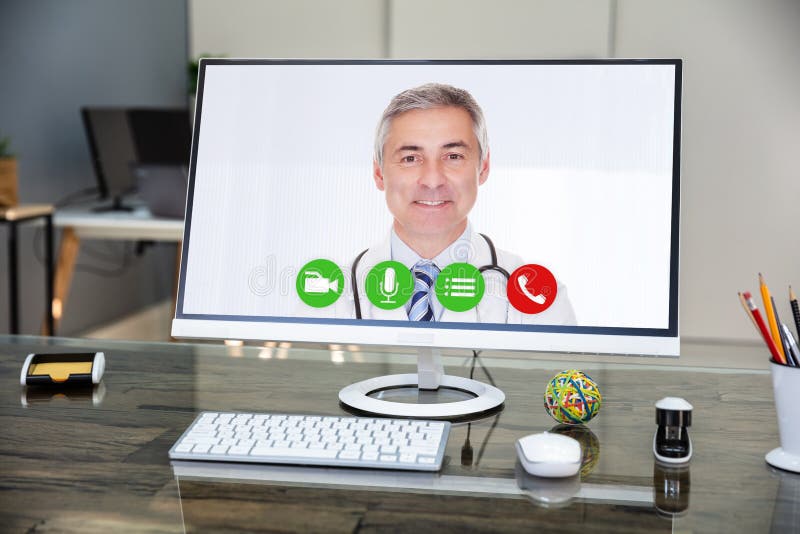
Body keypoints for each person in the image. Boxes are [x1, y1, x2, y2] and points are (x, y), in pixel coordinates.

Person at [334, 82, 576, 324]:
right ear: (378, 173)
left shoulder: (542, 301)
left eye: (453, 156)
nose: (432, 180)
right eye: (410, 158)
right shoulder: (328, 300)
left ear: (484, 166)